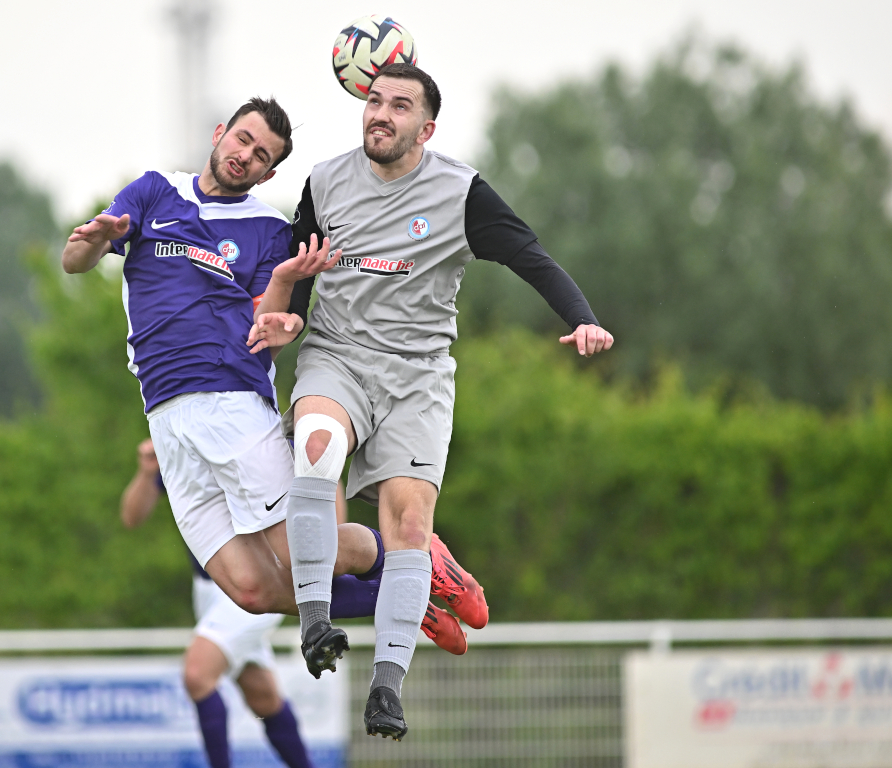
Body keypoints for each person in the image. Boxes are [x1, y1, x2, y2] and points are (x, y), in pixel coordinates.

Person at [249, 63, 615, 740]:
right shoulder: (326, 182)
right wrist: (289, 319)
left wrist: (582, 315)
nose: (380, 114)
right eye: (374, 101)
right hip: (339, 359)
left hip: (417, 377)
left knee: (409, 527)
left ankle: (388, 685)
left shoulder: (460, 190)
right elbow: (300, 279)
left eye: (399, 105)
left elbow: (531, 255)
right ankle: (314, 624)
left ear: (427, 127)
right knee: (315, 449)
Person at [61, 98, 468, 675]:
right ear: (220, 133)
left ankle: (410, 557)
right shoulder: (155, 192)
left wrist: (281, 284)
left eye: (261, 155)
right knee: (251, 590)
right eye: (242, 140)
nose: (245, 156)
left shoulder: (268, 230)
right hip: (164, 418)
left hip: (229, 404)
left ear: (268, 173)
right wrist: (98, 238)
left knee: (304, 552)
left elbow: (267, 333)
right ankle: (408, 589)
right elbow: (74, 261)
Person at [121, 438, 325, 768]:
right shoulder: (189, 438)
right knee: (263, 697)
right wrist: (147, 474)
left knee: (197, 674)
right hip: (208, 590)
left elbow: (323, 484)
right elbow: (131, 517)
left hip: (258, 583)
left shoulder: (254, 431)